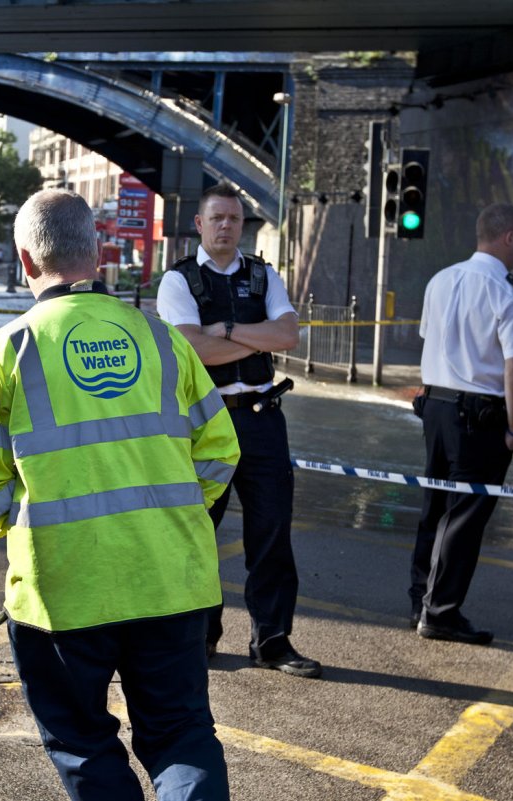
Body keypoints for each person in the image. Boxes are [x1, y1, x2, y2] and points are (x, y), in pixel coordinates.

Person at [0, 188, 239, 801]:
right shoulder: (163, 339)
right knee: (181, 735)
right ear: (98, 253)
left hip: (63, 590)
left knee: (82, 741)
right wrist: (174, 517)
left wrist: (20, 532)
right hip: (171, 580)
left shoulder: (7, 350)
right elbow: (220, 451)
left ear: (26, 260)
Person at [156, 181, 321, 679]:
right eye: (217, 218)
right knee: (198, 533)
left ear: (242, 224)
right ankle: (199, 637)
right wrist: (256, 339)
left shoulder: (264, 276)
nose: (226, 226)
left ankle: (272, 641)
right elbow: (194, 350)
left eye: (234, 218)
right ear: (200, 224)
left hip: (262, 419)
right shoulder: (178, 281)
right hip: (204, 423)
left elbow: (288, 335)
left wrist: (226, 331)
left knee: (272, 533)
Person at [409, 203, 513, 645]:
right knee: (465, 515)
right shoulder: (504, 292)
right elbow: (512, 367)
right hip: (480, 417)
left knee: (435, 506)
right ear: (509, 237)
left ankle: (420, 602)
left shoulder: (440, 279)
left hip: (435, 405)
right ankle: (441, 613)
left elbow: (430, 342)